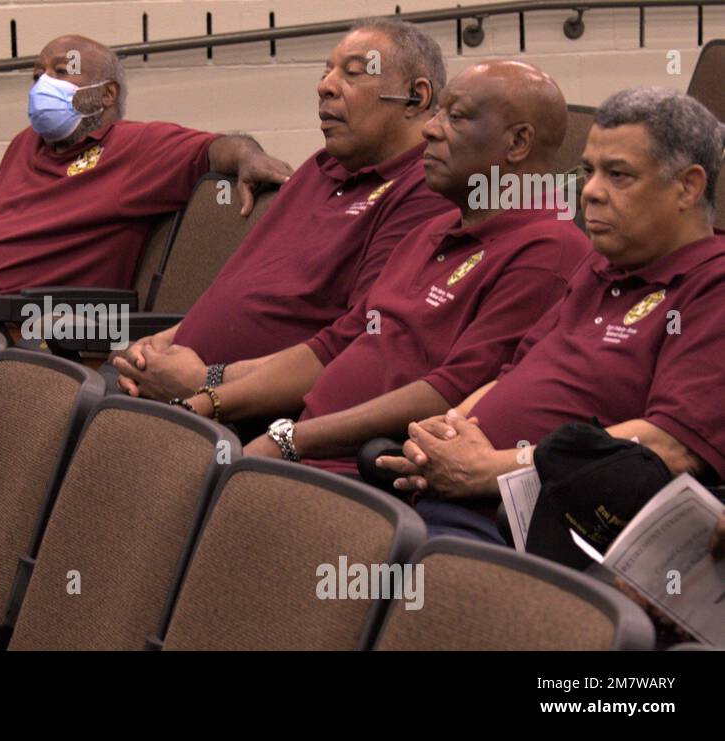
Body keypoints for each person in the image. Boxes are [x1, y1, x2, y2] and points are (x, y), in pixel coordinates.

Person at [171, 62, 589, 542]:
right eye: (438, 114)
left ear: (516, 144)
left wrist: (287, 439)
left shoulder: (548, 252)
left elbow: (452, 390)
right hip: (301, 453)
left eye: (457, 118)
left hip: (368, 482)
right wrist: (207, 401)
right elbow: (336, 344)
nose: (430, 129)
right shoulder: (430, 231)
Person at [377, 88, 725, 543]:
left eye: (618, 175)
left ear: (688, 186)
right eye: (588, 171)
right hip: (449, 499)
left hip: (532, 531)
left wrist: (489, 471)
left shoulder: (712, 285)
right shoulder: (601, 265)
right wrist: (441, 438)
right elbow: (511, 377)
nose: (592, 192)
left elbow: (667, 445)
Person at [112, 18, 456, 403]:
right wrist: (156, 348)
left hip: (244, 411)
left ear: (416, 96)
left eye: (353, 74)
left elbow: (359, 348)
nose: (325, 86)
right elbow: (235, 293)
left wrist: (209, 380)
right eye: (326, 72)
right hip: (181, 382)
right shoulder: (320, 168)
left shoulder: (425, 191)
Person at [0, 33, 294, 312]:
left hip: (26, 330)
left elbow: (214, 149)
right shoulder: (25, 143)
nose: (43, 84)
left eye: (62, 72)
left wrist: (248, 155)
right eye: (37, 75)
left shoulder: (133, 146)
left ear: (107, 94)